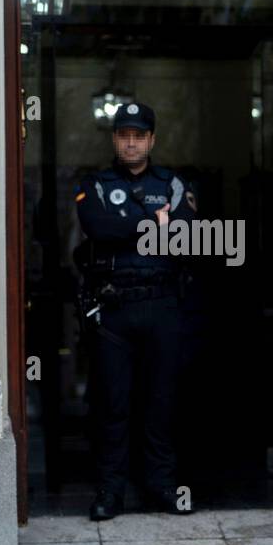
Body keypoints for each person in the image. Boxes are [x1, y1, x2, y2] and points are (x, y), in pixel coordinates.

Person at [75, 101, 198, 521]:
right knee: (113, 403)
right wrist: (152, 223)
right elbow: (98, 228)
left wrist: (133, 223)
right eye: (123, 134)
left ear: (152, 139)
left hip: (163, 305)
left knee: (161, 402)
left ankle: (161, 486)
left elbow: (186, 236)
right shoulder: (94, 184)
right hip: (114, 309)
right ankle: (111, 491)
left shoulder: (173, 183)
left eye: (139, 135)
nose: (131, 141)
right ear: (114, 139)